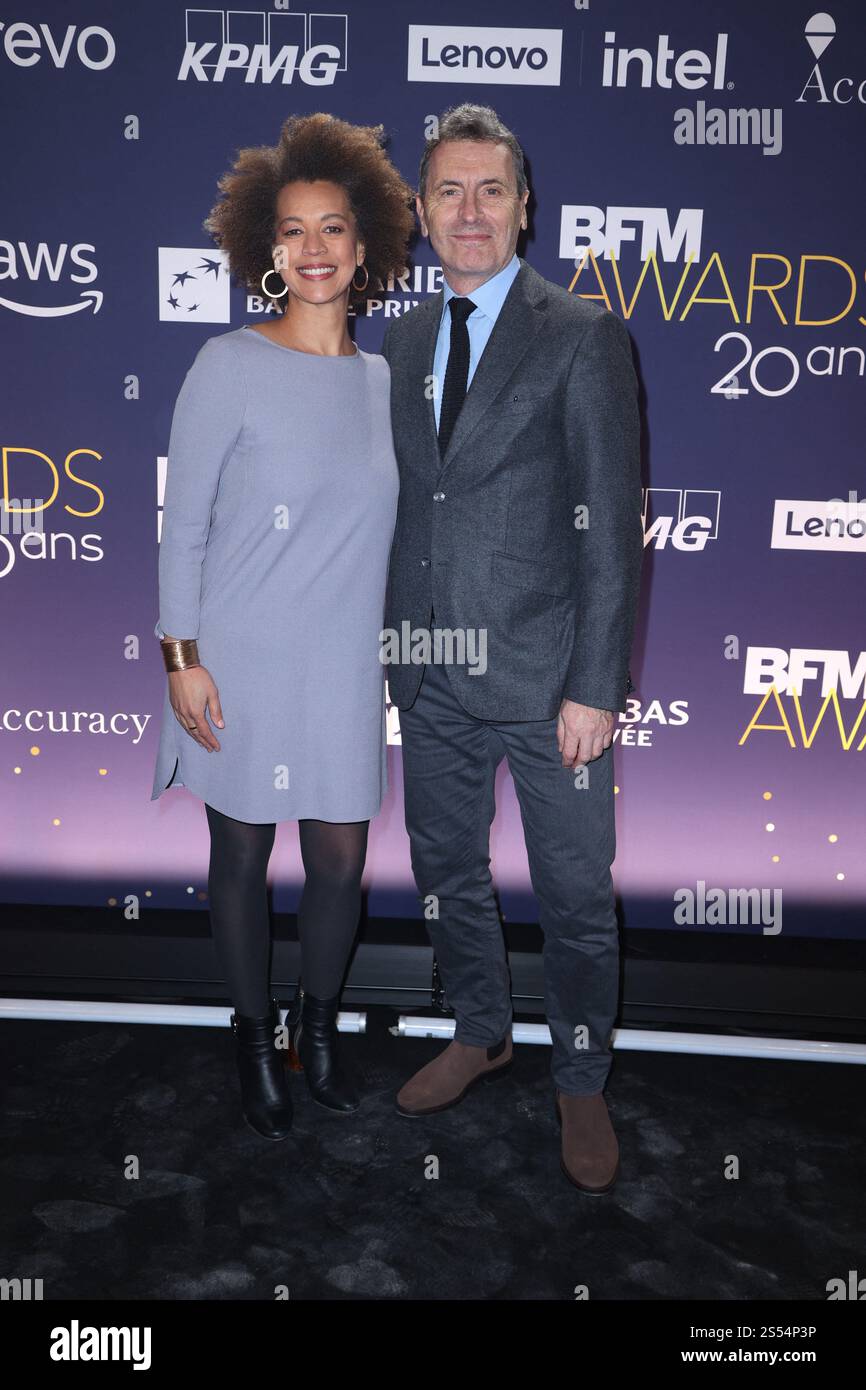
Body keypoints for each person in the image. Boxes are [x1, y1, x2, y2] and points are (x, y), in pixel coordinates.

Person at [380, 104, 643, 1194]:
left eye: (491, 190)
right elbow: (415, 504)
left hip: (547, 685)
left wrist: (593, 684)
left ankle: (578, 1078)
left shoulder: (579, 333)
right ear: (422, 213)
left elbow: (610, 524)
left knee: (574, 893)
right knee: (446, 871)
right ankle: (481, 1028)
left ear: (523, 209)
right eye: (448, 191)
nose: (469, 211)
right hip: (428, 668)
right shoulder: (397, 336)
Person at [151, 112, 414, 1140]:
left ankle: (320, 1029)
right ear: (270, 248)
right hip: (241, 659)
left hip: (344, 665)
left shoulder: (386, 383)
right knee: (241, 857)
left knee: (341, 861)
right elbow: (184, 527)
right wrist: (183, 658)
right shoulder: (226, 364)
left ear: (366, 247)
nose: (313, 249)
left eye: (333, 229)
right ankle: (254, 1037)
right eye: (294, 231)